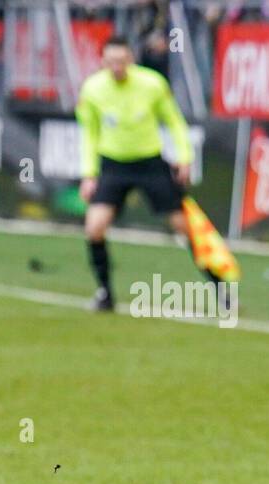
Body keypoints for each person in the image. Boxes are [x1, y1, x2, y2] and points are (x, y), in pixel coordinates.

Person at [76, 36, 198, 312]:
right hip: (113, 165)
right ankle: (105, 292)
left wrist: (185, 157)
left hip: (150, 164)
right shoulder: (92, 89)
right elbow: (89, 134)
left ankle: (220, 287)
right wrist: (89, 174)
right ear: (103, 62)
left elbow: (175, 122)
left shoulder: (152, 84)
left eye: (122, 61)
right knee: (94, 227)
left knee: (184, 226)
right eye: (111, 62)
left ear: (131, 60)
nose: (117, 67)